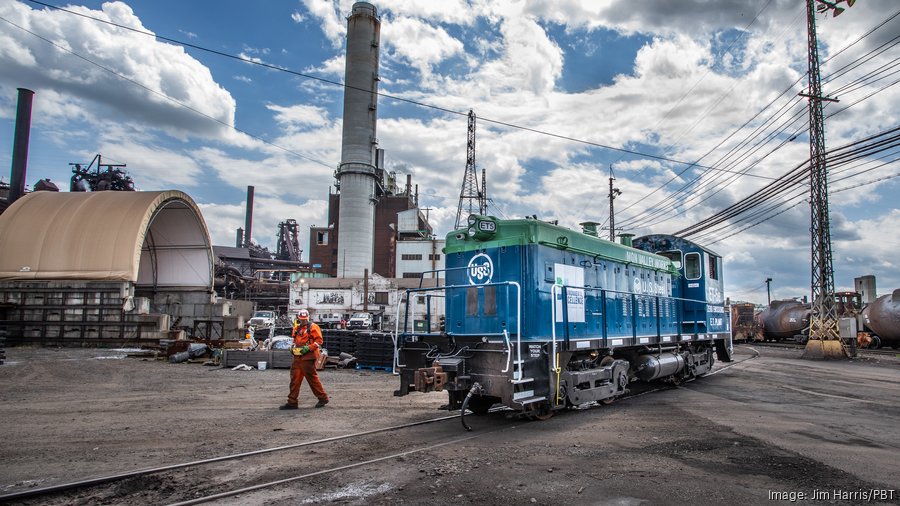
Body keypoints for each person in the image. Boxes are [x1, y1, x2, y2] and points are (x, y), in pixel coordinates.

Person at [280, 309, 329, 410]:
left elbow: (319, 341)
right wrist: (292, 347)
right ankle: (292, 402)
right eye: (302, 319)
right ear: (298, 318)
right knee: (294, 380)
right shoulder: (296, 328)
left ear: (308, 318)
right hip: (298, 357)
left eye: (305, 319)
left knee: (312, 379)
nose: (303, 321)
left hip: (308, 358)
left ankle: (323, 398)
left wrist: (309, 348)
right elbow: (294, 341)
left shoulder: (313, 327)